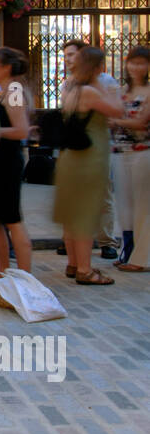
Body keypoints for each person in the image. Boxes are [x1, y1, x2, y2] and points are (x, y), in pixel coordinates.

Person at [53, 45, 136, 286]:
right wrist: (108, 87)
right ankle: (85, 269)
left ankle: (72, 263)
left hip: (71, 157)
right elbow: (118, 110)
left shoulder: (71, 89)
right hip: (89, 157)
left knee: (71, 215)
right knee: (85, 216)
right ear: (99, 67)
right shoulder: (91, 91)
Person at [62, 40, 119, 259]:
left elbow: (116, 111)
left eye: (72, 55)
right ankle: (74, 251)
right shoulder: (68, 83)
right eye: (66, 55)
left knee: (102, 196)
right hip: (76, 147)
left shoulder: (104, 81)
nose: (69, 59)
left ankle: (106, 241)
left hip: (97, 147)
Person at [0, 48, 33, 273]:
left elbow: (21, 131)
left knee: (11, 218)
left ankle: (24, 275)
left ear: (7, 67)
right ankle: (2, 271)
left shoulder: (14, 90)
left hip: (6, 161)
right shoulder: (0, 91)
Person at [112, 46, 150, 271]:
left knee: (142, 205)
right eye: (133, 62)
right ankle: (126, 251)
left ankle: (140, 258)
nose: (136, 67)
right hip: (119, 151)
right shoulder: (122, 90)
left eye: (142, 63)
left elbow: (141, 122)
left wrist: (117, 122)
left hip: (142, 150)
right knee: (124, 204)